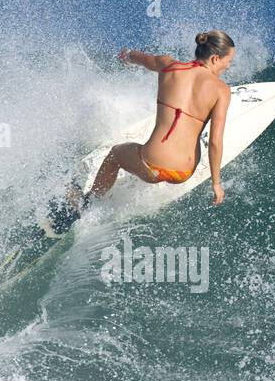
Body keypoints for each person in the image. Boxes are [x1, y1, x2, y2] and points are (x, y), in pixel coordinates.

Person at [47, 31, 234, 235]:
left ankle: (87, 203)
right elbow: (215, 141)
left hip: (152, 165)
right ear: (215, 58)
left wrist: (126, 56)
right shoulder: (221, 90)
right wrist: (216, 183)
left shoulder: (168, 65)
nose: (228, 66)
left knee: (115, 155)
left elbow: (142, 59)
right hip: (184, 171)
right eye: (229, 61)